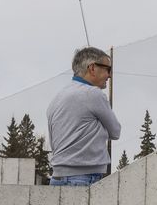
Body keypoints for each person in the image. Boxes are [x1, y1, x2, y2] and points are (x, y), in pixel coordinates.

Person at [46, 47, 121, 186]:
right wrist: (100, 128)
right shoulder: (94, 94)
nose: (109, 75)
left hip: (57, 178)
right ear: (92, 68)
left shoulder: (57, 97)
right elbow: (116, 132)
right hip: (83, 178)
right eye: (108, 69)